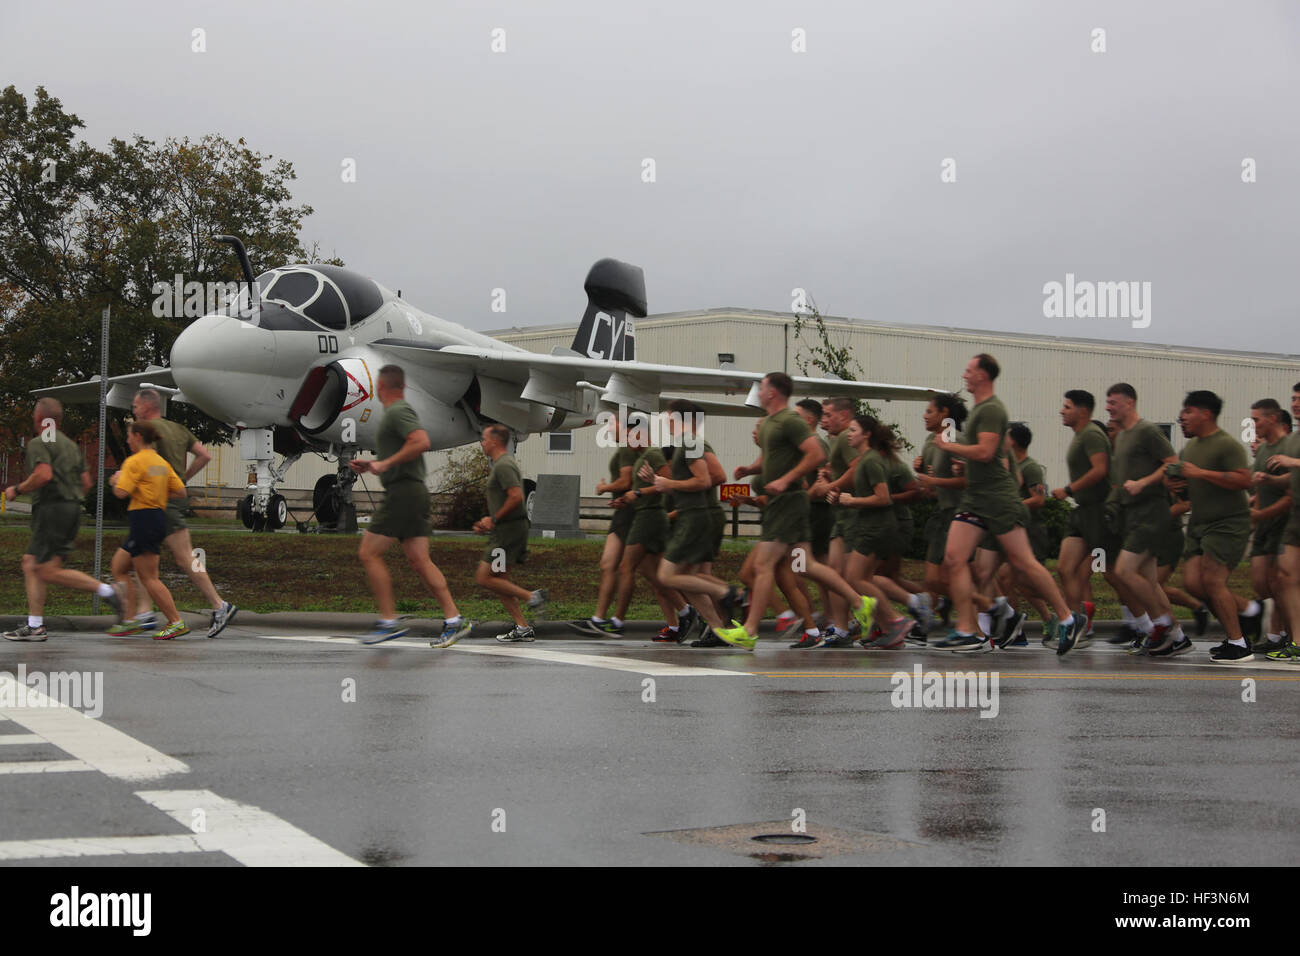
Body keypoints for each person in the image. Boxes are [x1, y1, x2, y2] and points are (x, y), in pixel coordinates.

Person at [717, 373, 900, 650]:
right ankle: (859, 602)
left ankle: (751, 631)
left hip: (789, 503)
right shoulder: (769, 423)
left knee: (762, 566)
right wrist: (751, 470)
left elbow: (816, 455)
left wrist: (786, 479)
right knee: (806, 565)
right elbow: (775, 459)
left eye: (763, 386)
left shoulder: (790, 420)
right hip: (785, 505)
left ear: (774, 392)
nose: (758, 390)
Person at [932, 354, 1081, 653]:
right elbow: (993, 457)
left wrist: (951, 447)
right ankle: (969, 629)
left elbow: (986, 452)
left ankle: (1067, 618)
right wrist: (966, 464)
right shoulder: (980, 411)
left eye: (969, 369)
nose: (965, 374)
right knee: (954, 559)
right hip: (976, 498)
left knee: (1024, 563)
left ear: (984, 376)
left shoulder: (991, 410)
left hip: (998, 500)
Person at [349, 365, 472, 647]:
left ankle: (388, 622)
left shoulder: (398, 412)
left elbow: (421, 441)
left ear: (380, 386)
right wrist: (373, 465)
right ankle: (454, 620)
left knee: (368, 553)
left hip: (403, 494)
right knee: (420, 561)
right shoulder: (399, 412)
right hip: (411, 491)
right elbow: (406, 450)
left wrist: (385, 463)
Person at [3, 398, 123, 641]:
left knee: (44, 569)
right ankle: (35, 624)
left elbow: (43, 474)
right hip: (71, 509)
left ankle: (108, 591)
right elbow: (87, 482)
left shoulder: (40, 442)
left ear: (38, 419)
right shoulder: (70, 445)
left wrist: (17, 489)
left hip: (51, 510)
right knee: (32, 564)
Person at [120, 389, 236, 637]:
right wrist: (182, 480)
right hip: (170, 499)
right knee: (145, 555)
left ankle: (218, 604)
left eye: (135, 407)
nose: (134, 411)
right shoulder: (178, 429)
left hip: (156, 503)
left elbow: (144, 464)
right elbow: (204, 455)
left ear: (147, 407)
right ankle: (145, 612)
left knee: (181, 558)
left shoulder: (147, 431)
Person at [1168, 391, 1254, 662]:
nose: (1183, 417)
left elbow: (1244, 480)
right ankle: (1251, 613)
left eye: (1189, 411)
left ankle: (1238, 644)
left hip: (1227, 523)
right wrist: (1176, 484)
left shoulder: (1227, 445)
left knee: (1213, 581)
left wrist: (1200, 473)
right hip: (1199, 524)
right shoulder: (1190, 448)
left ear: (1206, 414)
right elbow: (1190, 489)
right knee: (1193, 584)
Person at [1104, 383, 1185, 656]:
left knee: (1124, 571)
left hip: (1152, 511)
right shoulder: (1124, 435)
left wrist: (1143, 483)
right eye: (1108, 402)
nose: (1108, 407)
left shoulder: (1147, 431)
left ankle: (1161, 625)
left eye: (1113, 402)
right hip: (1132, 514)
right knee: (1149, 581)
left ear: (1129, 403)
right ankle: (1178, 636)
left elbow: (1172, 462)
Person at [106, 421, 191, 639]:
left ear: (137, 436)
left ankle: (175, 622)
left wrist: (115, 480)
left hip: (144, 519)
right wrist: (157, 494)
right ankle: (130, 620)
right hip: (154, 518)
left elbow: (121, 493)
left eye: (128, 436)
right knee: (119, 566)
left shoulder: (134, 462)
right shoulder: (161, 463)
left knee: (149, 577)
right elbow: (180, 491)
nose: (127, 440)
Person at [474, 423, 547, 642]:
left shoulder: (504, 465)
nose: (482, 443)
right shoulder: (501, 464)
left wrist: (494, 519)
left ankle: (532, 597)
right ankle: (523, 627)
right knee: (500, 580)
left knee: (485, 577)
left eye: (485, 439)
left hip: (508, 532)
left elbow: (516, 496)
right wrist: (488, 522)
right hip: (505, 529)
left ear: (495, 441)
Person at [570, 413, 638, 635]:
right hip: (623, 512)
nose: (608, 427)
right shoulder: (626, 449)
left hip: (632, 515)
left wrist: (605, 488)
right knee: (609, 565)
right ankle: (599, 618)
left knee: (652, 573)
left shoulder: (628, 449)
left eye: (613, 422)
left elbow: (627, 481)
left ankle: (687, 611)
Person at [913, 393, 968, 637]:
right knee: (933, 579)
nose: (924, 416)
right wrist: (922, 477)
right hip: (942, 513)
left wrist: (931, 479)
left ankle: (988, 609)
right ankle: (946, 608)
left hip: (962, 515)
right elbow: (932, 489)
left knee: (949, 577)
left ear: (944, 413)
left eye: (929, 411)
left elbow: (969, 480)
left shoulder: (956, 439)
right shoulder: (930, 441)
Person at [1246, 399, 1293, 655]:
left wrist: (1262, 514)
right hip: (1264, 524)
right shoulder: (1263, 451)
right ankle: (1278, 634)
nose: (1253, 426)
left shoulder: (1286, 449)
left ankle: (1286, 636)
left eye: (1256, 420)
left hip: (1284, 524)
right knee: (1263, 583)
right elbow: (1259, 487)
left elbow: (1290, 494)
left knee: (1281, 583)